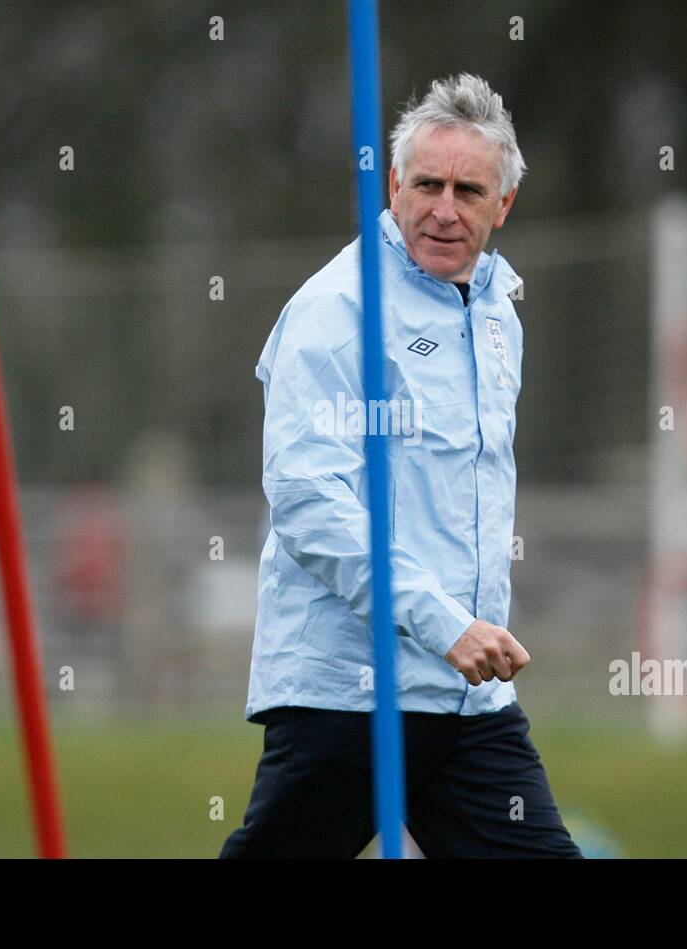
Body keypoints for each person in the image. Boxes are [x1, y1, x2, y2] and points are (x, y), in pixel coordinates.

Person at [221, 73, 581, 858]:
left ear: (503, 205)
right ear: (393, 184)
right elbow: (308, 503)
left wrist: (463, 638)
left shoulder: (495, 312)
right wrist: (443, 621)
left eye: (468, 190)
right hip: (349, 700)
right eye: (427, 184)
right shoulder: (337, 312)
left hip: (469, 706)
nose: (444, 209)